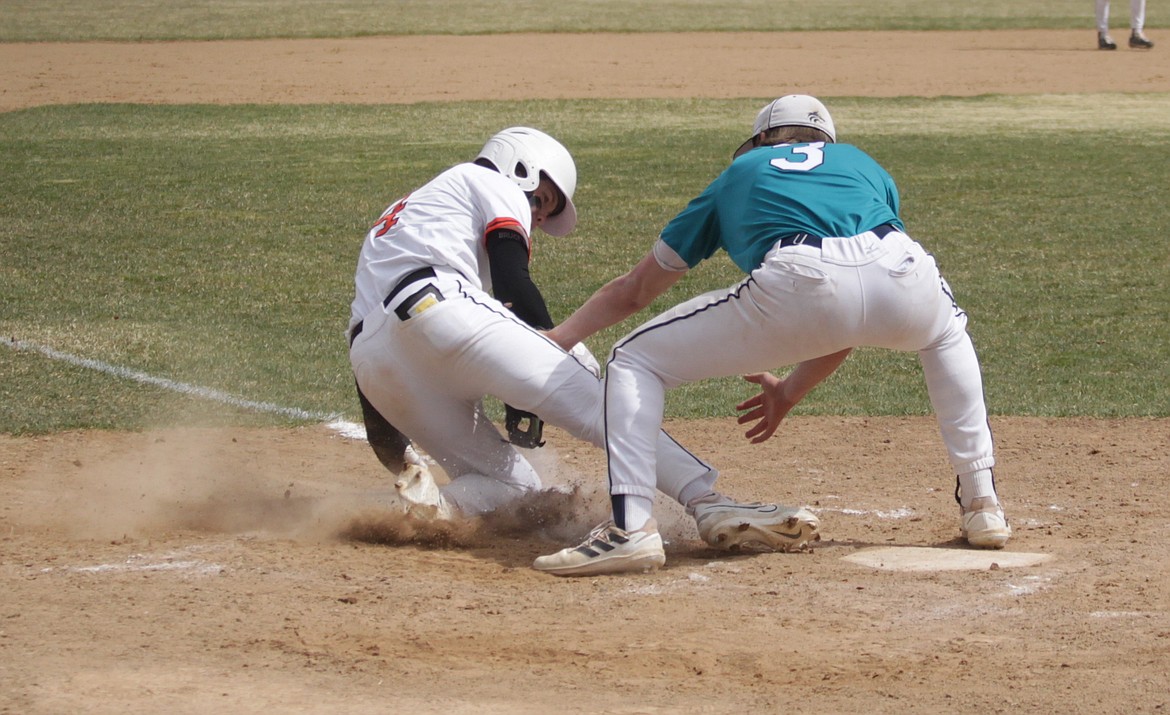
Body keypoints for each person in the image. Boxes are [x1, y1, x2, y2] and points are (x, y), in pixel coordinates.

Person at [533, 95, 1012, 577]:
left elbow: (636, 291)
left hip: (800, 277)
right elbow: (855, 302)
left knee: (634, 359)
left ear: (762, 140)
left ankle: (630, 528)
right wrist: (789, 390)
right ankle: (983, 503)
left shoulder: (740, 173)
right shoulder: (862, 164)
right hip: (904, 269)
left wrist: (562, 336)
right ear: (827, 140)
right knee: (946, 335)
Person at [347, 126, 820, 557]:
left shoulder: (402, 219)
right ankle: (710, 502)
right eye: (541, 202)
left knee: (513, 488)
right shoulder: (489, 182)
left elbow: (377, 389)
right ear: (521, 169)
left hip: (374, 361)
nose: (535, 218)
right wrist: (543, 364)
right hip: (440, 308)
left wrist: (397, 458)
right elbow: (512, 281)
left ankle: (417, 505)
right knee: (601, 397)